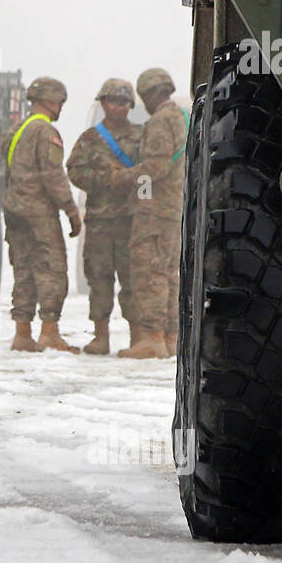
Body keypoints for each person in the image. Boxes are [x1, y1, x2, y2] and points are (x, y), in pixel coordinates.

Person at [107, 68, 189, 359]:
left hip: (154, 210)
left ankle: (153, 338)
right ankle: (168, 337)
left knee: (149, 275)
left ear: (150, 94)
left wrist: (123, 177)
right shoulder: (183, 118)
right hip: (173, 208)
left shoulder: (160, 121)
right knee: (168, 274)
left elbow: (156, 168)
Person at [0, 77, 84, 353]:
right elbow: (53, 175)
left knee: (23, 269)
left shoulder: (16, 130)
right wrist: (71, 210)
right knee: (51, 269)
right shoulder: (45, 131)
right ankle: (49, 332)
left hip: (14, 210)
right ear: (51, 101)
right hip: (38, 213)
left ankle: (22, 334)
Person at [66, 78, 142, 355]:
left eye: (124, 102)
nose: (119, 107)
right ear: (104, 103)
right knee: (98, 278)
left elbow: (153, 171)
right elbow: (74, 170)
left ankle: (138, 336)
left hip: (131, 221)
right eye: (114, 101)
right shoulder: (90, 139)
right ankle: (101, 336)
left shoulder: (141, 136)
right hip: (99, 221)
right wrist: (104, 180)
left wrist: (135, 187)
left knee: (132, 279)